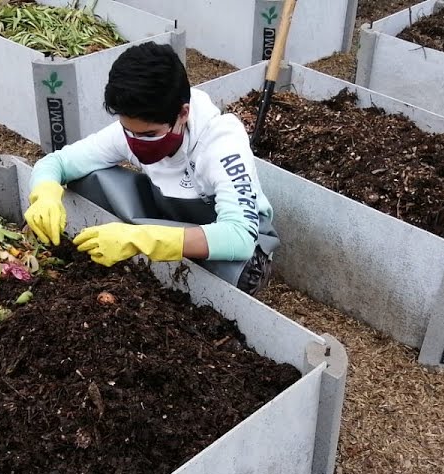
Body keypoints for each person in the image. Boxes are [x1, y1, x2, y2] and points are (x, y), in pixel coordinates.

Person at [23, 42, 277, 295]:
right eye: (129, 130)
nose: (136, 142)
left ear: (183, 114)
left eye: (150, 134)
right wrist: (45, 194)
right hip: (167, 217)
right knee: (89, 178)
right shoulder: (131, 131)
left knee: (242, 270)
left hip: (223, 237)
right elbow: (57, 162)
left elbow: (240, 237)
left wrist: (141, 239)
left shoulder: (221, 142)